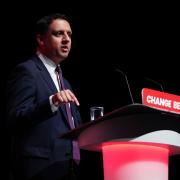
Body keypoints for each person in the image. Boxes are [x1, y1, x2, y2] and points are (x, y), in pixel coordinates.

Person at [6, 13, 82, 180]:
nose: (66, 39)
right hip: (39, 169)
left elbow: (72, 127)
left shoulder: (65, 83)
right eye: (59, 33)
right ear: (41, 40)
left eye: (69, 34)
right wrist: (51, 101)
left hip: (68, 168)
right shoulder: (27, 71)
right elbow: (15, 118)